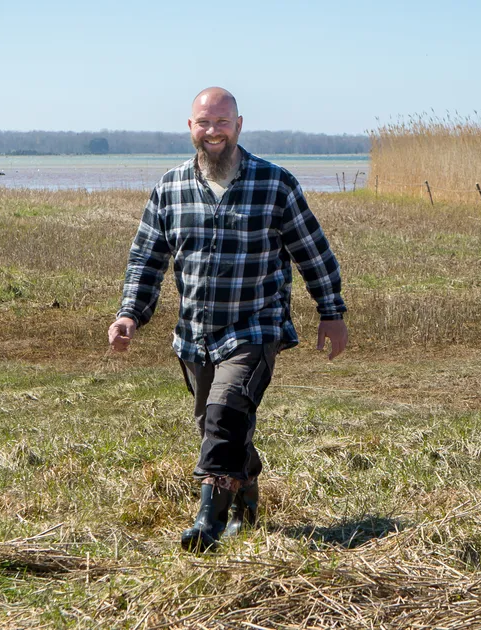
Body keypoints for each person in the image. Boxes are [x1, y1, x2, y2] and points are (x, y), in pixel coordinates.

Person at [108, 87, 348, 552]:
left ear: (239, 125)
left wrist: (331, 313)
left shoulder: (275, 184)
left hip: (256, 329)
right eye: (204, 123)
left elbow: (314, 253)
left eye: (222, 122)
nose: (212, 131)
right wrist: (129, 314)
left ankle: (208, 521)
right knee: (214, 426)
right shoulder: (170, 187)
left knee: (224, 413)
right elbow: (146, 260)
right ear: (190, 128)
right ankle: (247, 500)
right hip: (195, 335)